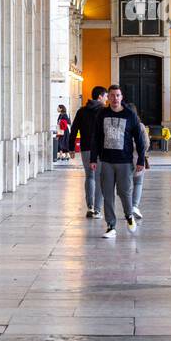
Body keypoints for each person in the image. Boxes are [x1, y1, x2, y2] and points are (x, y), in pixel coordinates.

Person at [89, 86, 147, 237]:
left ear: (122, 97)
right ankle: (111, 226)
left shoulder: (130, 115)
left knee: (124, 192)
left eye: (118, 95)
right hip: (106, 160)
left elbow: (139, 139)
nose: (115, 99)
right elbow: (96, 137)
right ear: (108, 97)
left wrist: (141, 158)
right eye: (112, 96)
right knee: (107, 194)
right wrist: (93, 158)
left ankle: (129, 215)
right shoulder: (102, 114)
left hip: (125, 162)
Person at [69, 87, 107, 217]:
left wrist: (71, 147)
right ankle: (97, 209)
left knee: (90, 176)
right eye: (106, 96)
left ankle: (90, 207)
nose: (107, 99)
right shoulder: (104, 111)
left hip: (85, 148)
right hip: (101, 148)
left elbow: (73, 129)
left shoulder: (82, 111)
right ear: (100, 97)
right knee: (99, 178)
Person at [126, 102, 149, 217]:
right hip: (138, 158)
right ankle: (135, 206)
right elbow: (146, 143)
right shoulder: (140, 126)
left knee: (126, 185)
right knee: (138, 183)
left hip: (124, 159)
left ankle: (128, 208)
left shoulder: (124, 124)